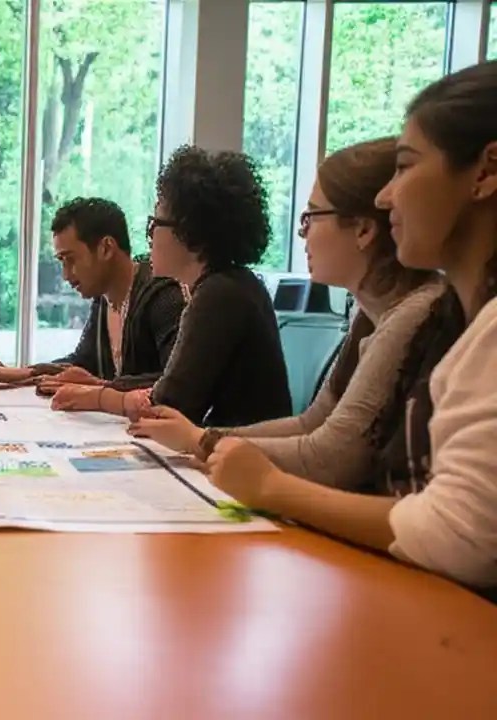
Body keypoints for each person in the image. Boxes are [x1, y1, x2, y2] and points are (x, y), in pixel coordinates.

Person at [206, 60, 497, 596]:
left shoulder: (435, 315)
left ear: (485, 172)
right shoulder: (445, 315)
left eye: (406, 168)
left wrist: (265, 483)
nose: (388, 198)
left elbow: (460, 535)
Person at [130, 138, 449, 493]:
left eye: (310, 216)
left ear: (363, 230)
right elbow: (312, 423)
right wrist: (203, 438)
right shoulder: (370, 313)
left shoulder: (413, 312)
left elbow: (332, 456)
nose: (302, 233)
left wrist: (203, 442)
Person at [52, 146, 292, 427]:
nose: (150, 236)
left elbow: (170, 401)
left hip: (242, 460)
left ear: (188, 231)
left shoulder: (219, 295)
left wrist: (96, 396)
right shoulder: (231, 285)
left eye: (155, 223)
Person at [0, 197, 185, 389]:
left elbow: (177, 382)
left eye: (71, 259)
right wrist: (20, 374)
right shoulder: (104, 299)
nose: (66, 275)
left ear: (106, 248)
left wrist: (99, 388)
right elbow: (82, 363)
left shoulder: (162, 296)